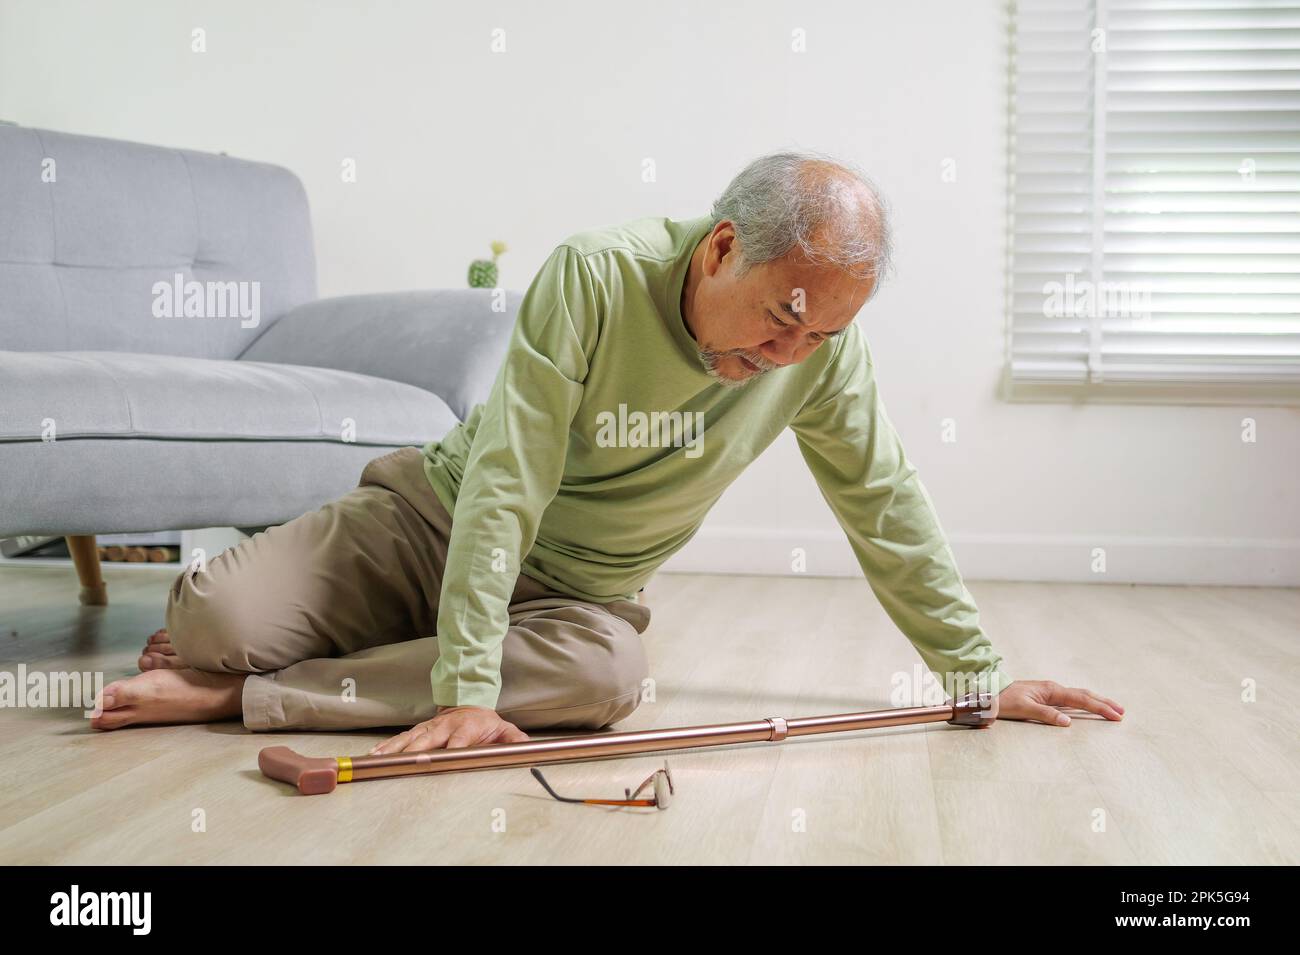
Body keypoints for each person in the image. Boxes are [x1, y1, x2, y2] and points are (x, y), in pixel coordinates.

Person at [92, 151, 1124, 749]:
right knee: (214, 613)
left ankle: (252, 694)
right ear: (720, 246)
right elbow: (507, 483)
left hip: (573, 597)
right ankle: (325, 660)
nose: (787, 355)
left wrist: (976, 674)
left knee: (605, 679)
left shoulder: (817, 352)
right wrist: (462, 689)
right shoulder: (593, 276)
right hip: (431, 521)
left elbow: (883, 504)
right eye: (779, 319)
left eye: (819, 336)